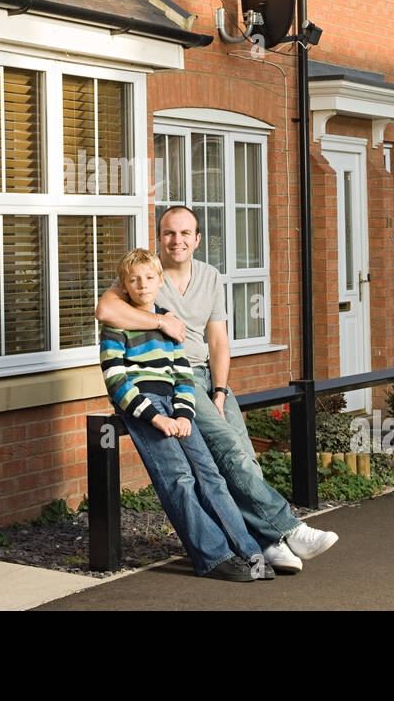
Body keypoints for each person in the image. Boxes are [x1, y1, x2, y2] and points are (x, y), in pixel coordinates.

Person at [96, 205, 338, 573]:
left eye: (184, 234)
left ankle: (267, 543)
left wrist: (221, 389)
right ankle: (289, 529)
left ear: (196, 239)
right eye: (168, 233)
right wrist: (160, 320)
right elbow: (106, 312)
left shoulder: (209, 276)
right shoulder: (144, 274)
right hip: (179, 377)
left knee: (244, 455)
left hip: (210, 377)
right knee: (227, 454)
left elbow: (219, 339)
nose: (176, 240)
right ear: (159, 237)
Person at [101, 248, 271, 582]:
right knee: (179, 479)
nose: (143, 284)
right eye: (134, 280)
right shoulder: (117, 323)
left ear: (159, 281)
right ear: (124, 286)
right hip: (143, 407)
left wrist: (182, 414)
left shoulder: (169, 321)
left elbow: (183, 375)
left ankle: (248, 551)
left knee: (211, 475)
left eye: (149, 278)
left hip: (176, 406)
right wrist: (155, 418)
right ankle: (213, 556)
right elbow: (115, 379)